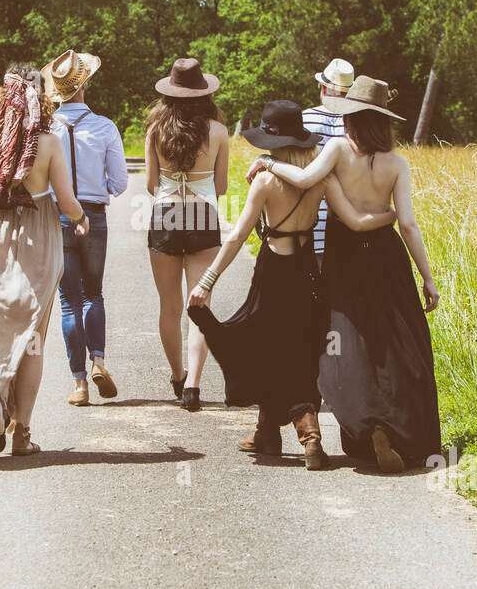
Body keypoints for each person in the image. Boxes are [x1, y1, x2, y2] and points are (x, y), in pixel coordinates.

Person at [186, 100, 397, 469]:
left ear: (274, 142)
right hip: (306, 272)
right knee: (297, 348)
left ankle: (308, 434)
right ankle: (270, 432)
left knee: (266, 345)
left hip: (273, 271)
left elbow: (237, 236)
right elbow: (354, 220)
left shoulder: (267, 180)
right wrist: (390, 214)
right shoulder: (323, 180)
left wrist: (208, 279)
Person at [247, 75, 441, 473]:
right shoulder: (397, 163)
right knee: (395, 342)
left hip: (343, 253)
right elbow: (409, 226)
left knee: (348, 339)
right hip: (387, 255)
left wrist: (267, 162)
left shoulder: (336, 149)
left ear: (350, 117)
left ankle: (367, 421)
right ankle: (394, 426)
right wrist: (427, 277)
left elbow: (302, 179)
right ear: (384, 122)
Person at [0, 64, 89, 456]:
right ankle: (21, 431)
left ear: (1, 98)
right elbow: (66, 201)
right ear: (39, 100)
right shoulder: (49, 144)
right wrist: (81, 220)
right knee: (31, 339)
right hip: (40, 245)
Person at [43, 49, 129, 407]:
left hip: (56, 216)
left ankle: (79, 384)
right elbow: (122, 183)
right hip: (93, 214)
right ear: (85, 86)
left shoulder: (47, 129)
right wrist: (98, 186)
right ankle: (99, 361)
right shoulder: (104, 126)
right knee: (94, 293)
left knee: (68, 303)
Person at [145, 57, 229, 412]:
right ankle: (194, 384)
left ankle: (177, 375)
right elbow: (221, 187)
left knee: (170, 306)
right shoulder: (219, 131)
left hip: (165, 214)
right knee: (200, 304)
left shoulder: (154, 129)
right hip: (202, 215)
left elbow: (151, 185)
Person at [302, 58, 354, 263]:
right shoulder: (357, 125)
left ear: (322, 88)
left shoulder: (303, 119)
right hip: (349, 223)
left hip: (309, 221)